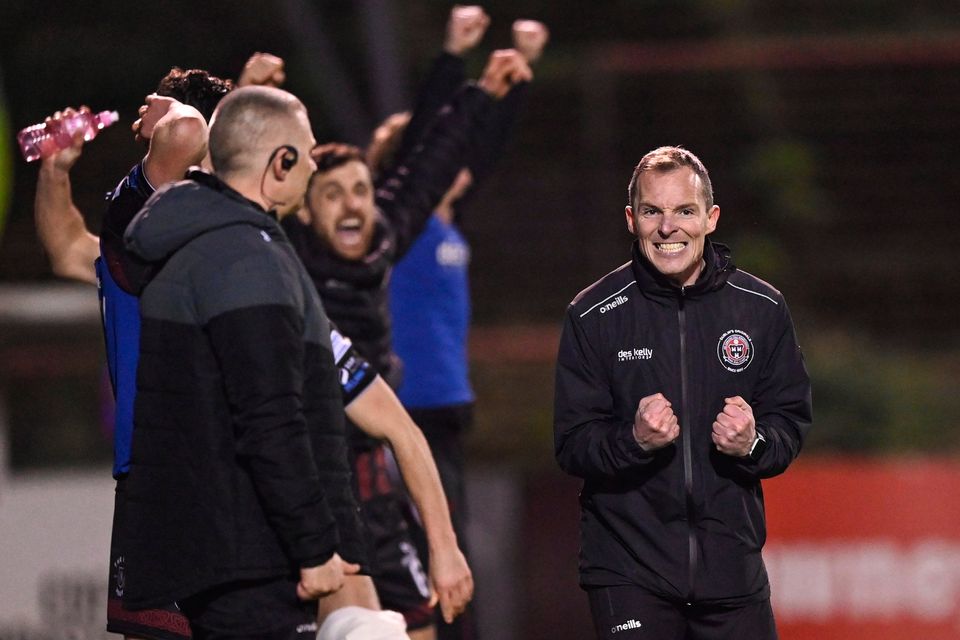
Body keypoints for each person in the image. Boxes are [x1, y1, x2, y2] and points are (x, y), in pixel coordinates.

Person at [33, 58, 472, 638]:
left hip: (209, 486)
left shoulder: (199, 254)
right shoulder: (193, 252)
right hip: (197, 486)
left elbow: (71, 245)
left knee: (362, 615)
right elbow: (70, 246)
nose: (312, 168)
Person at [281, 47, 531, 638]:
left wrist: (483, 94)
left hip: (372, 459)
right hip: (309, 463)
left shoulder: (384, 236)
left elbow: (429, 166)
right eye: (333, 194)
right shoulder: (286, 257)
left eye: (361, 191)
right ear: (306, 212)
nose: (352, 206)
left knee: (421, 618)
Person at [118, 84, 363, 639]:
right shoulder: (244, 256)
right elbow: (270, 418)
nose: (313, 166)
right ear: (281, 162)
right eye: (309, 153)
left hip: (223, 551)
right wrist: (314, 544)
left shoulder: (197, 243)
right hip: (254, 556)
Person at [553, 146, 812, 640]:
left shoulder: (762, 309)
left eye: (684, 211)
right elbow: (571, 444)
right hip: (628, 571)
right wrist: (633, 441)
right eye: (653, 211)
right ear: (632, 220)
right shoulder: (591, 315)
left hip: (732, 574)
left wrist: (752, 444)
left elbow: (789, 425)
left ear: (710, 218)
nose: (668, 227)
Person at [378, 8, 548, 638]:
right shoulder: (404, 223)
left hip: (446, 410)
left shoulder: (446, 219)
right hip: (407, 409)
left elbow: (488, 148)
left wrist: (518, 78)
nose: (463, 158)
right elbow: (431, 133)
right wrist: (453, 54)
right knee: (428, 554)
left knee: (448, 551)